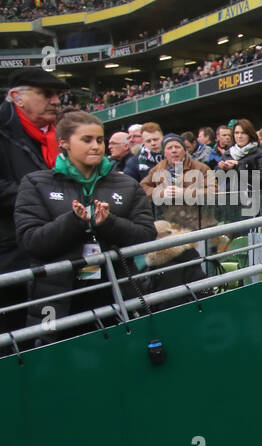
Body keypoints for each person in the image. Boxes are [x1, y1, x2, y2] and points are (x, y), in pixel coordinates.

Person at [13, 111, 156, 340]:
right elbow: (31, 241)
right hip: (55, 301)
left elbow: (146, 236)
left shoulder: (127, 185)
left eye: (100, 140)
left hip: (117, 293)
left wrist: (109, 223)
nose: (96, 146)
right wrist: (73, 222)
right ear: (64, 143)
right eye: (87, 140)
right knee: (54, 363)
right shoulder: (35, 183)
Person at [0, 67, 64, 337]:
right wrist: (46, 198)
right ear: (17, 97)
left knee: (50, 332)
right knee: (13, 338)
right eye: (46, 94)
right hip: (9, 254)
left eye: (58, 95)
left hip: (49, 248)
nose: (56, 101)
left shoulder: (54, 135)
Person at [213, 119, 262, 216]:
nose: (239, 136)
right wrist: (222, 168)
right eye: (236, 133)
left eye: (243, 133)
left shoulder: (259, 153)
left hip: (252, 204)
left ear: (250, 134)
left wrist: (237, 166)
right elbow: (217, 177)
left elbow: (261, 177)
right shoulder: (228, 153)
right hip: (230, 204)